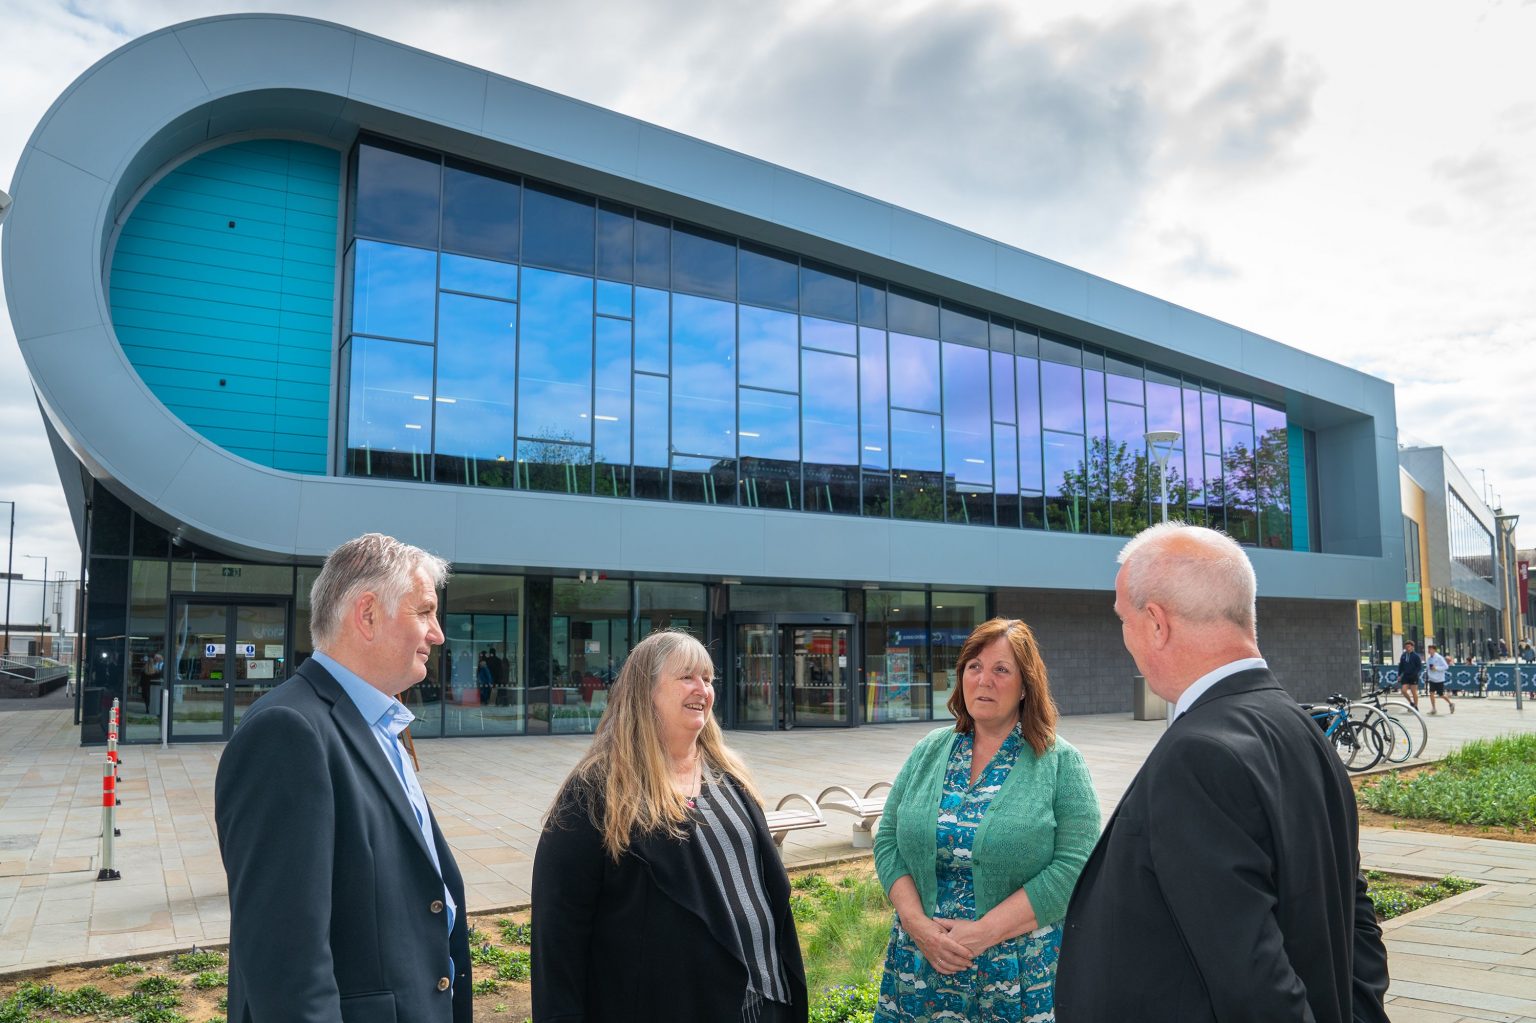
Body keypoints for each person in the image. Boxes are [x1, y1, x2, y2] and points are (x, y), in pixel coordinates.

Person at [1055, 522, 1389, 1023]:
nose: (1125, 637)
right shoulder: (1301, 728)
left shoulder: (1199, 755)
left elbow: (1252, 980)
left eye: (1123, 619)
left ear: (1156, 623)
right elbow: (1355, 915)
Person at [214, 533, 470, 1023]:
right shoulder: (287, 732)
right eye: (424, 612)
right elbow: (287, 970)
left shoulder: (379, 722)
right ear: (367, 615)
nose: (437, 634)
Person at [532, 630, 806, 1022]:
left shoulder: (728, 776)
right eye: (687, 677)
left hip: (767, 1003)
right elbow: (558, 932)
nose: (702, 689)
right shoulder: (597, 791)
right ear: (645, 692)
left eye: (708, 679)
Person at [873, 617, 1100, 1023]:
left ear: (1026, 685)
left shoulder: (1061, 762)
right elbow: (888, 839)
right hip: (920, 966)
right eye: (974, 666)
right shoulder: (929, 750)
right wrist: (916, 923)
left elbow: (1076, 865)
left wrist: (985, 932)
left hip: (1016, 975)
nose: (984, 680)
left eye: (1001, 669)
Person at [1425, 642, 1454, 714]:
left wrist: (1436, 668)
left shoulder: (1439, 658)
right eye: (1429, 649)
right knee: (1431, 693)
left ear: (1434, 650)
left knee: (1441, 694)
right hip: (1432, 679)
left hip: (1439, 679)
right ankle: (1434, 708)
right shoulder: (1429, 659)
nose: (1429, 651)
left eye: (1431, 649)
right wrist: (1429, 672)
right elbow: (1428, 668)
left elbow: (1446, 667)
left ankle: (1451, 703)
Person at [1396, 639, 1423, 709]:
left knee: (1414, 692)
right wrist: (1399, 675)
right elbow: (1401, 666)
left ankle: (1415, 706)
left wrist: (1415, 674)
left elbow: (1419, 667)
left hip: (1413, 676)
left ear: (1412, 647)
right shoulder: (1403, 655)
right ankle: (1411, 702)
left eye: (1408, 646)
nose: (1407, 648)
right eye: (1406, 647)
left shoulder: (1416, 656)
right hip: (1405, 676)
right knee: (1403, 690)